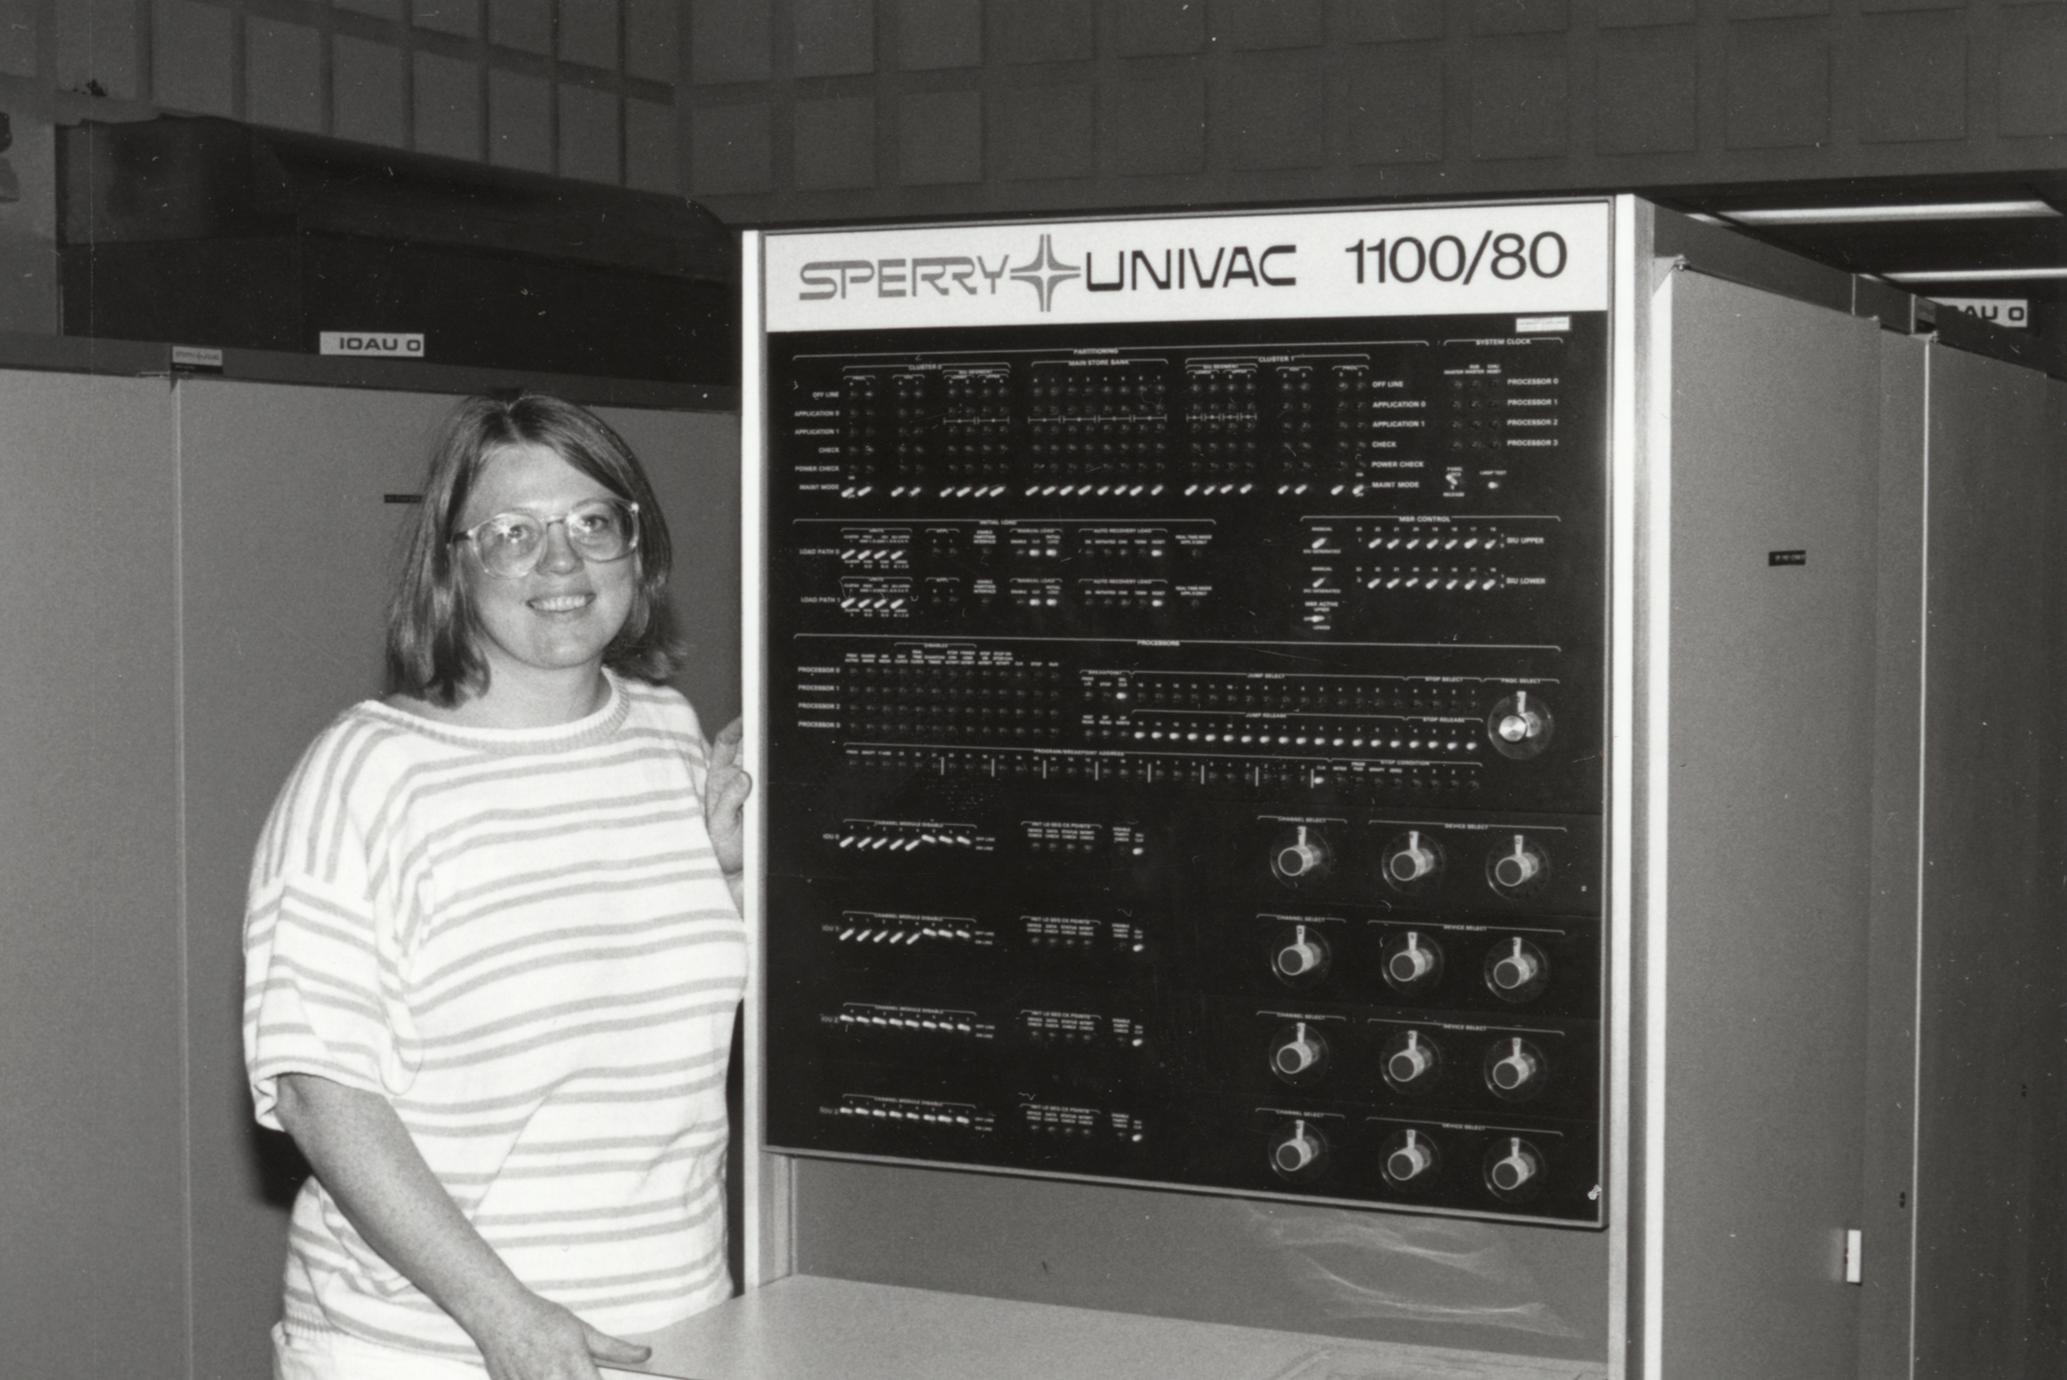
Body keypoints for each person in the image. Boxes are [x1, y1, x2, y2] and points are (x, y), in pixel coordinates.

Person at [242, 392, 750, 1380]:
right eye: (512, 534)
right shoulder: (367, 773)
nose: (560, 565)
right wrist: (501, 1314)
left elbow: (669, 1025)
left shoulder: (669, 737)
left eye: (591, 524)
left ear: (635, 548)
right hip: (433, 1350)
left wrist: (731, 881)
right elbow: (319, 1093)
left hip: (672, 1333)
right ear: (453, 564)